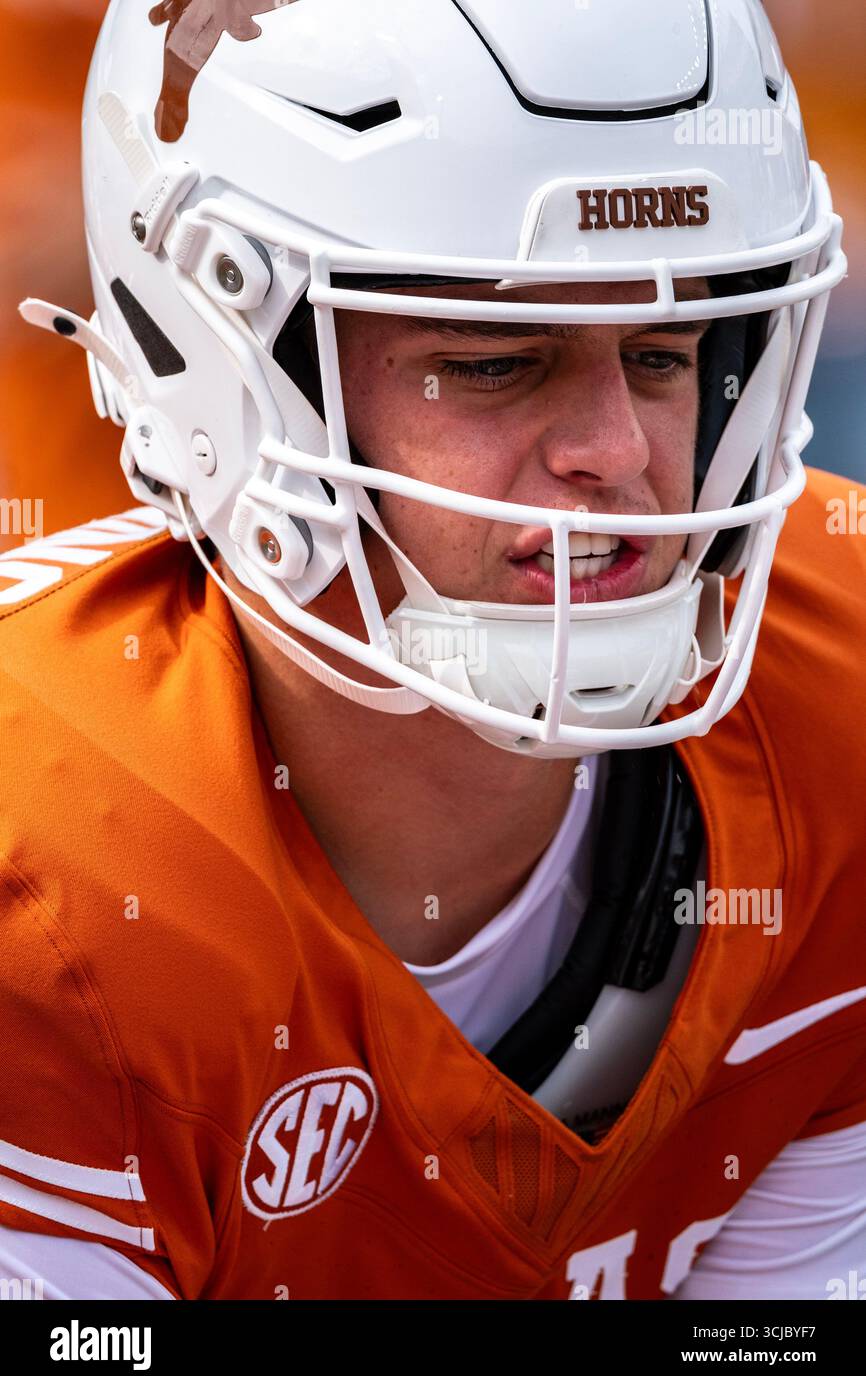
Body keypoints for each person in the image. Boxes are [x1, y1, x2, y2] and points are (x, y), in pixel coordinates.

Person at [0, 0, 863, 1300]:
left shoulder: (833, 692)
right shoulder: (58, 865)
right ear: (220, 374)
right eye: (493, 361)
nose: (619, 453)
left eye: (666, 351)